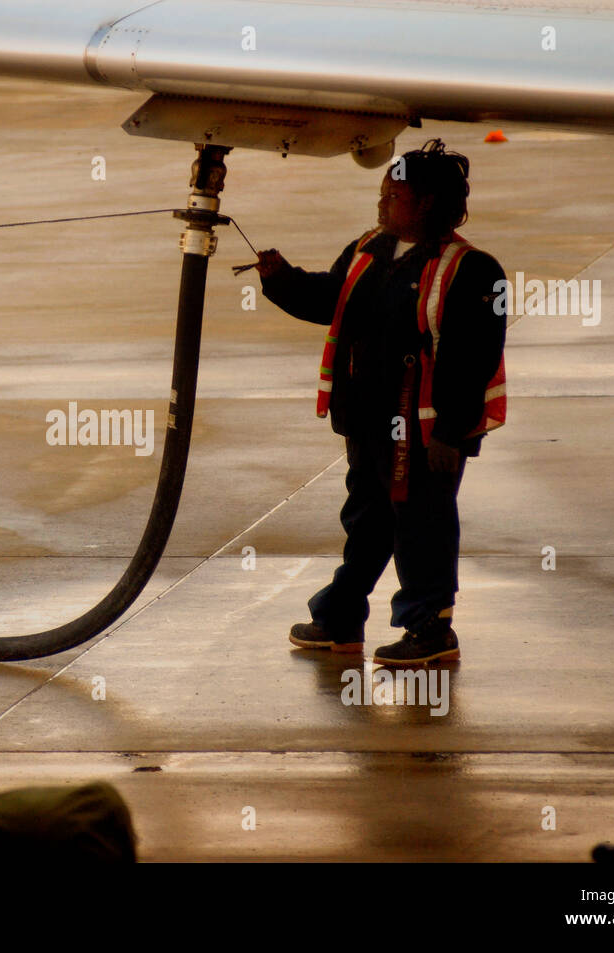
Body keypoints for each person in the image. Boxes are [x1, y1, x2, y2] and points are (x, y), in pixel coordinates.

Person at [256, 139, 507, 666]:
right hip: (369, 423)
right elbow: (330, 301)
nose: (381, 203)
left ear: (427, 204)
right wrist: (280, 280)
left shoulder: (476, 272)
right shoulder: (368, 249)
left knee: (423, 525)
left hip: (424, 432)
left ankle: (430, 629)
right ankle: (340, 619)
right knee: (367, 522)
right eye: (382, 192)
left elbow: (474, 359)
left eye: (394, 195)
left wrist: (450, 433)